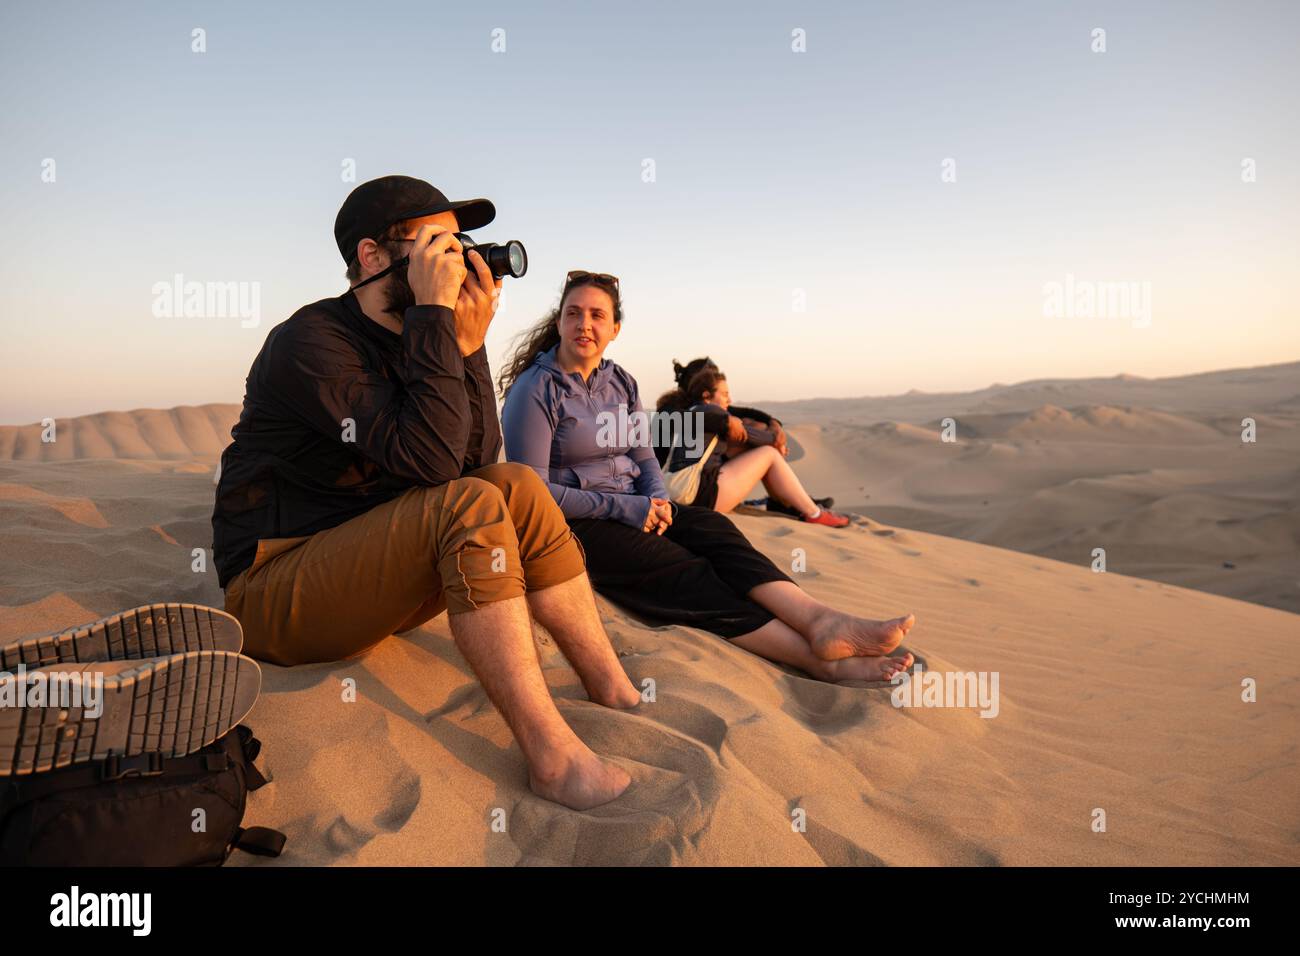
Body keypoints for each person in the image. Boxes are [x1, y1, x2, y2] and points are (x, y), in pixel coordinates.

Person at [211, 176, 638, 810]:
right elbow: (441, 472)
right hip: (274, 588)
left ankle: (613, 689)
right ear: (373, 257)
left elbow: (476, 460)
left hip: (364, 571)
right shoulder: (311, 343)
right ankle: (552, 758)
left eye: (461, 240)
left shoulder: (425, 334)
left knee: (514, 486)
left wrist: (465, 343)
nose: (458, 256)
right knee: (470, 503)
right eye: (436, 241)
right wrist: (443, 327)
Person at [498, 270, 915, 683]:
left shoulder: (620, 382)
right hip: (576, 525)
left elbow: (644, 458)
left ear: (615, 329)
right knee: (685, 569)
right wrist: (629, 507)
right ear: (559, 323)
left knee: (716, 530)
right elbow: (533, 492)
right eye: (573, 313)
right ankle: (815, 661)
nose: (584, 324)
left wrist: (659, 502)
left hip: (639, 506)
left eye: (596, 315)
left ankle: (820, 621)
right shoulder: (535, 390)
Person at [656, 363, 851, 526]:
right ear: (707, 396)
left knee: (748, 449)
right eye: (724, 394)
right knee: (769, 453)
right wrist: (776, 439)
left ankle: (785, 502)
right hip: (700, 496)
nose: (729, 400)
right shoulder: (714, 414)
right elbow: (758, 437)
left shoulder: (694, 411)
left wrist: (771, 427)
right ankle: (814, 513)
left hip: (680, 492)